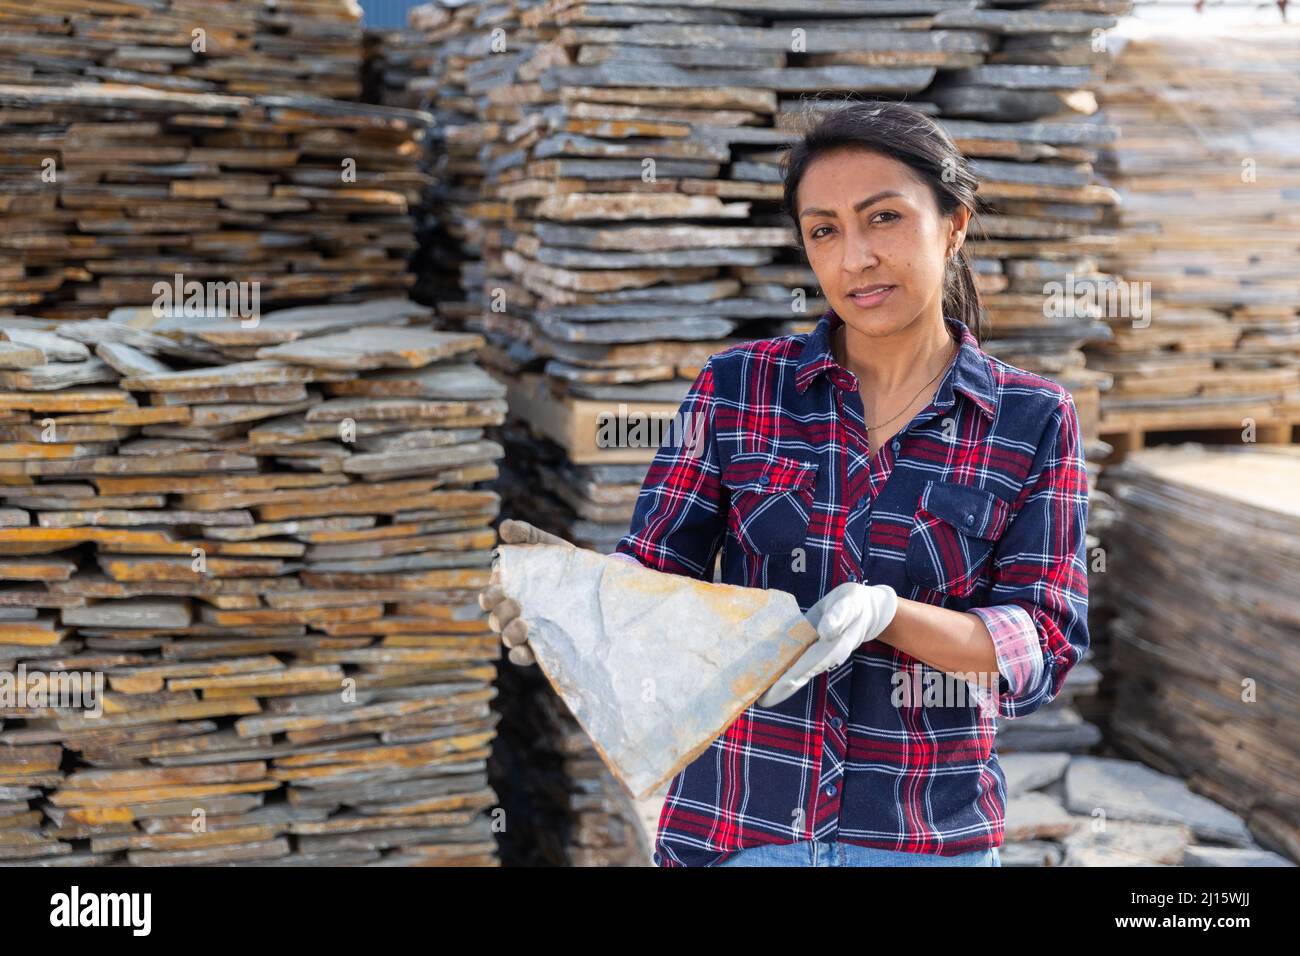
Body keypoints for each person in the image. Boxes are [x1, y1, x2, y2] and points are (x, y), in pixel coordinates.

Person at [479, 100, 1090, 868]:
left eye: (885, 219)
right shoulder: (739, 389)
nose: (855, 257)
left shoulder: (1029, 418)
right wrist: (575, 603)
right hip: (736, 831)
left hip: (921, 840)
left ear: (955, 223)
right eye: (824, 231)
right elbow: (656, 569)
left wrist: (888, 615)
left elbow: (1041, 648)